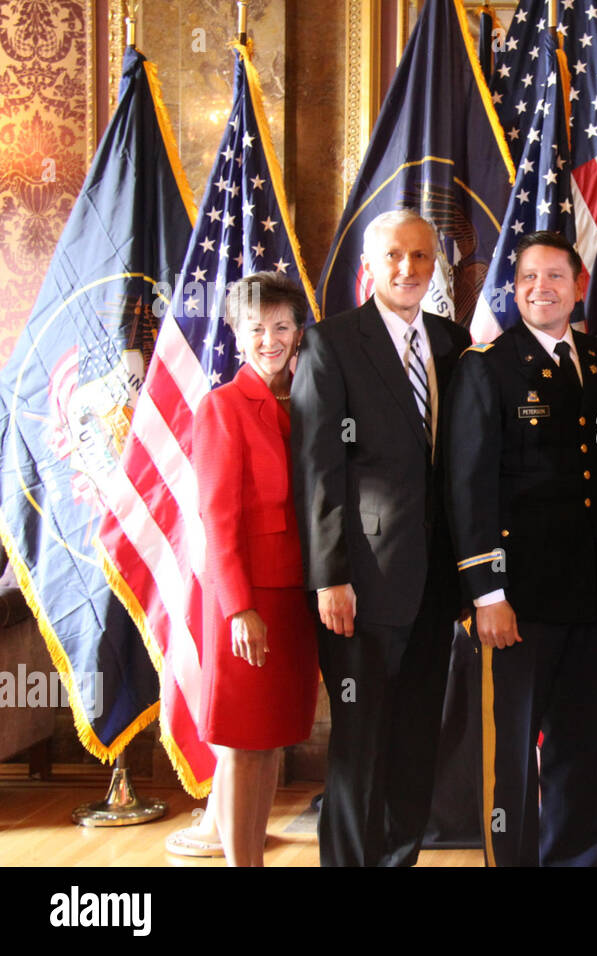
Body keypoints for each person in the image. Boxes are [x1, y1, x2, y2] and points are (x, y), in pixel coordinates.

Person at [446, 231, 597, 867]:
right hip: (518, 599)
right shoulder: (487, 366)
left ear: (578, 286)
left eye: (554, 276)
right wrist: (487, 594)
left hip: (591, 591)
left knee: (582, 744)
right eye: (527, 278)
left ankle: (574, 858)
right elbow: (469, 486)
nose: (540, 288)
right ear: (515, 288)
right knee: (512, 754)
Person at [290, 209, 469, 867]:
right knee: (361, 744)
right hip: (360, 585)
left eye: (421, 257)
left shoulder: (452, 344)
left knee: (415, 741)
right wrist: (329, 577)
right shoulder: (331, 342)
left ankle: (398, 860)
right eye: (396, 255)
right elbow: (318, 467)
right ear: (371, 264)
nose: (409, 269)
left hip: (433, 585)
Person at [191, 271, 318, 867]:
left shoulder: (311, 400)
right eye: (256, 327)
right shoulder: (222, 407)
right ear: (237, 334)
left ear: (298, 332)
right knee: (244, 744)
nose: (270, 338)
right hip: (249, 603)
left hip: (298, 597)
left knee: (271, 742)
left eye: (281, 326)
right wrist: (239, 606)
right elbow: (217, 519)